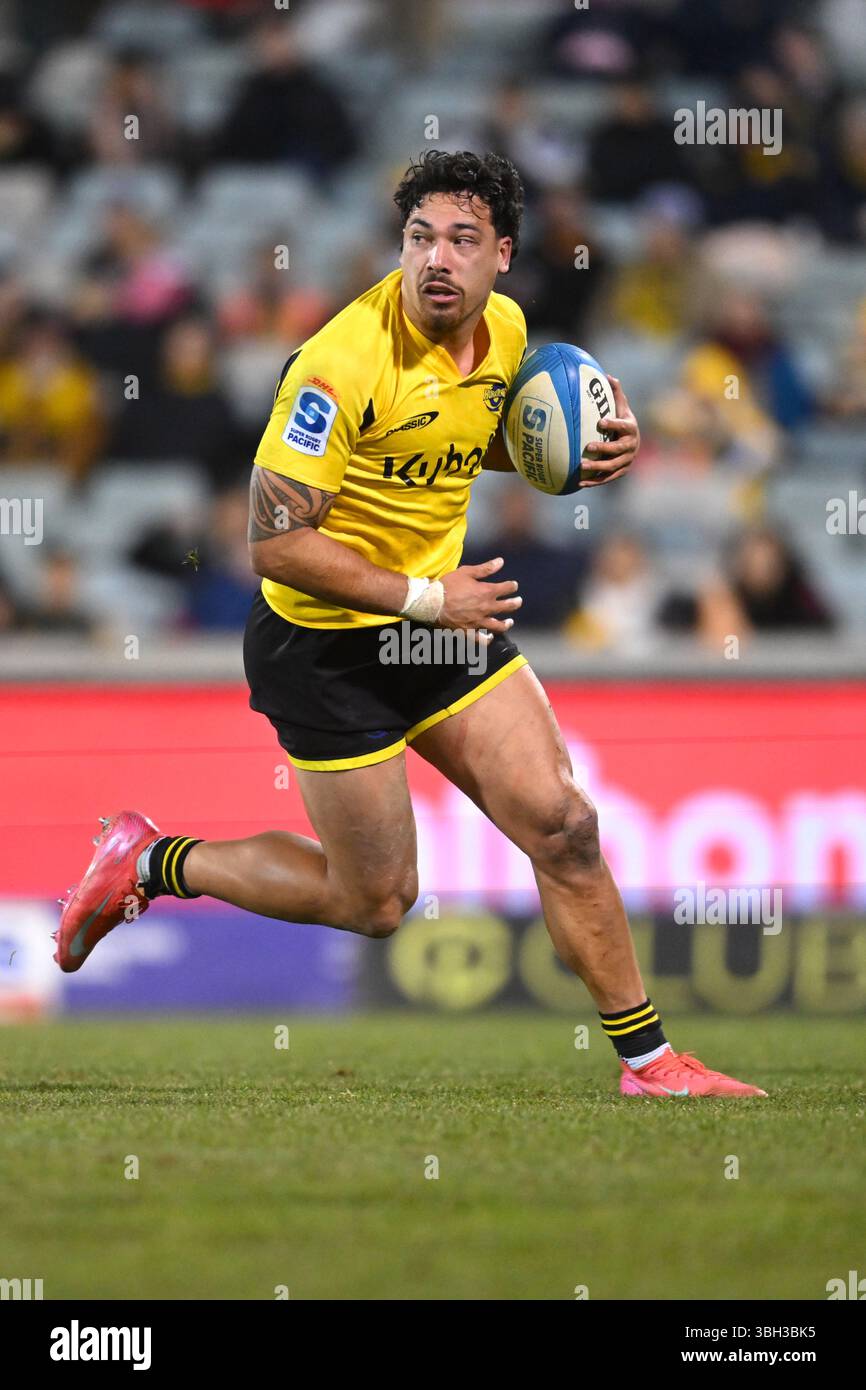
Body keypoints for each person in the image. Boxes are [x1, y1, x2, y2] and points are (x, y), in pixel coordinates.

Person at [54, 151, 764, 1099]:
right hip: (327, 645)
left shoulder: (507, 333)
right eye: (420, 237)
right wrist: (431, 599)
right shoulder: (339, 364)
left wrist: (578, 454)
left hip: (437, 621)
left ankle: (651, 1065)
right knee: (376, 902)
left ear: (502, 255)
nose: (436, 257)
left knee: (565, 826)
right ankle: (152, 860)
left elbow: (464, 439)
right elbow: (273, 542)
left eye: (462, 239)